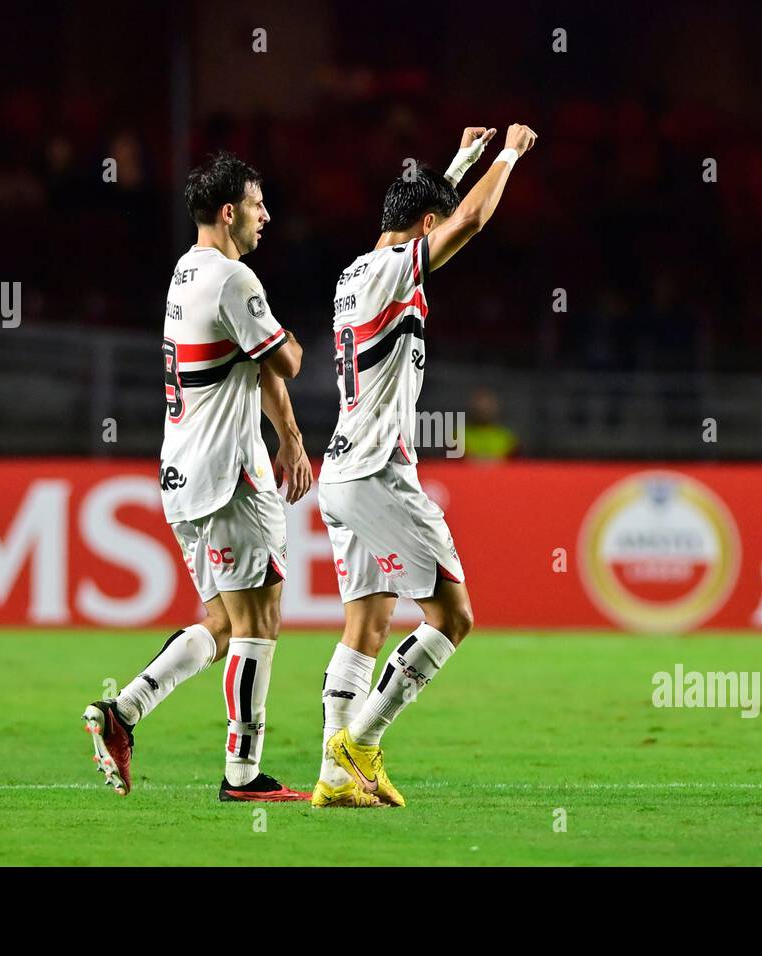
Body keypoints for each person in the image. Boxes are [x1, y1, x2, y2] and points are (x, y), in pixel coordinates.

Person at [312, 124, 538, 807]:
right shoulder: (391, 272)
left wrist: (461, 156)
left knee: (369, 621)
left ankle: (333, 776)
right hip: (380, 471)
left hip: (339, 471)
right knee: (453, 616)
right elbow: (464, 220)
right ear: (424, 229)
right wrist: (507, 156)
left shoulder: (355, 273)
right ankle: (361, 741)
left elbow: (428, 209)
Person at [83, 152, 314, 802]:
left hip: (184, 474)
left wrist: (291, 437)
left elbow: (255, 364)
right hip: (229, 478)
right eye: (259, 203)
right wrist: (284, 340)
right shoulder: (234, 281)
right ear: (229, 211)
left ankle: (121, 713)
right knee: (258, 621)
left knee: (221, 621)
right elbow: (288, 360)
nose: (268, 215)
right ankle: (243, 774)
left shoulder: (187, 271)